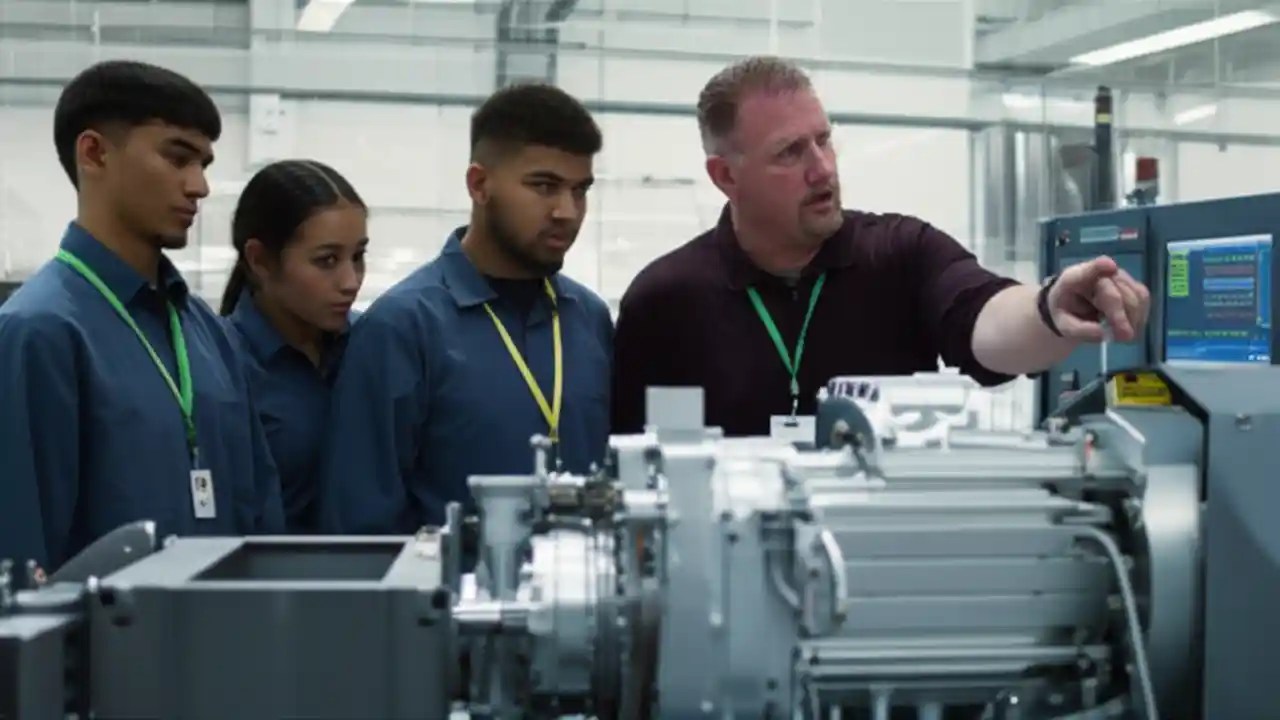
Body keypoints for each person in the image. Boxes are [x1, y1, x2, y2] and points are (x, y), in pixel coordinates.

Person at [611, 56, 1151, 438]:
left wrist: (1051, 308)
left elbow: (983, 315)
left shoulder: (899, 253)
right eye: (790, 152)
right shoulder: (666, 300)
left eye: (823, 139)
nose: (822, 168)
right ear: (726, 175)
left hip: (880, 572)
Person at [0, 60, 284, 572]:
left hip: (226, 640)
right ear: (94, 153)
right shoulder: (40, 332)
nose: (198, 185)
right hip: (103, 649)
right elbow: (21, 560)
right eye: (178, 158)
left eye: (204, 164)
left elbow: (260, 511)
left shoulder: (210, 336)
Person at [316, 82, 613, 533]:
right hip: (448, 598)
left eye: (580, 190)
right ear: (479, 184)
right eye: (544, 186)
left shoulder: (588, 318)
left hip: (581, 591)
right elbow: (360, 520)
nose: (567, 211)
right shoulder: (403, 326)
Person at [219, 159, 368, 532]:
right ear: (260, 261)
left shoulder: (372, 344)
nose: (350, 281)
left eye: (358, 256)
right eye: (327, 261)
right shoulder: (224, 366)